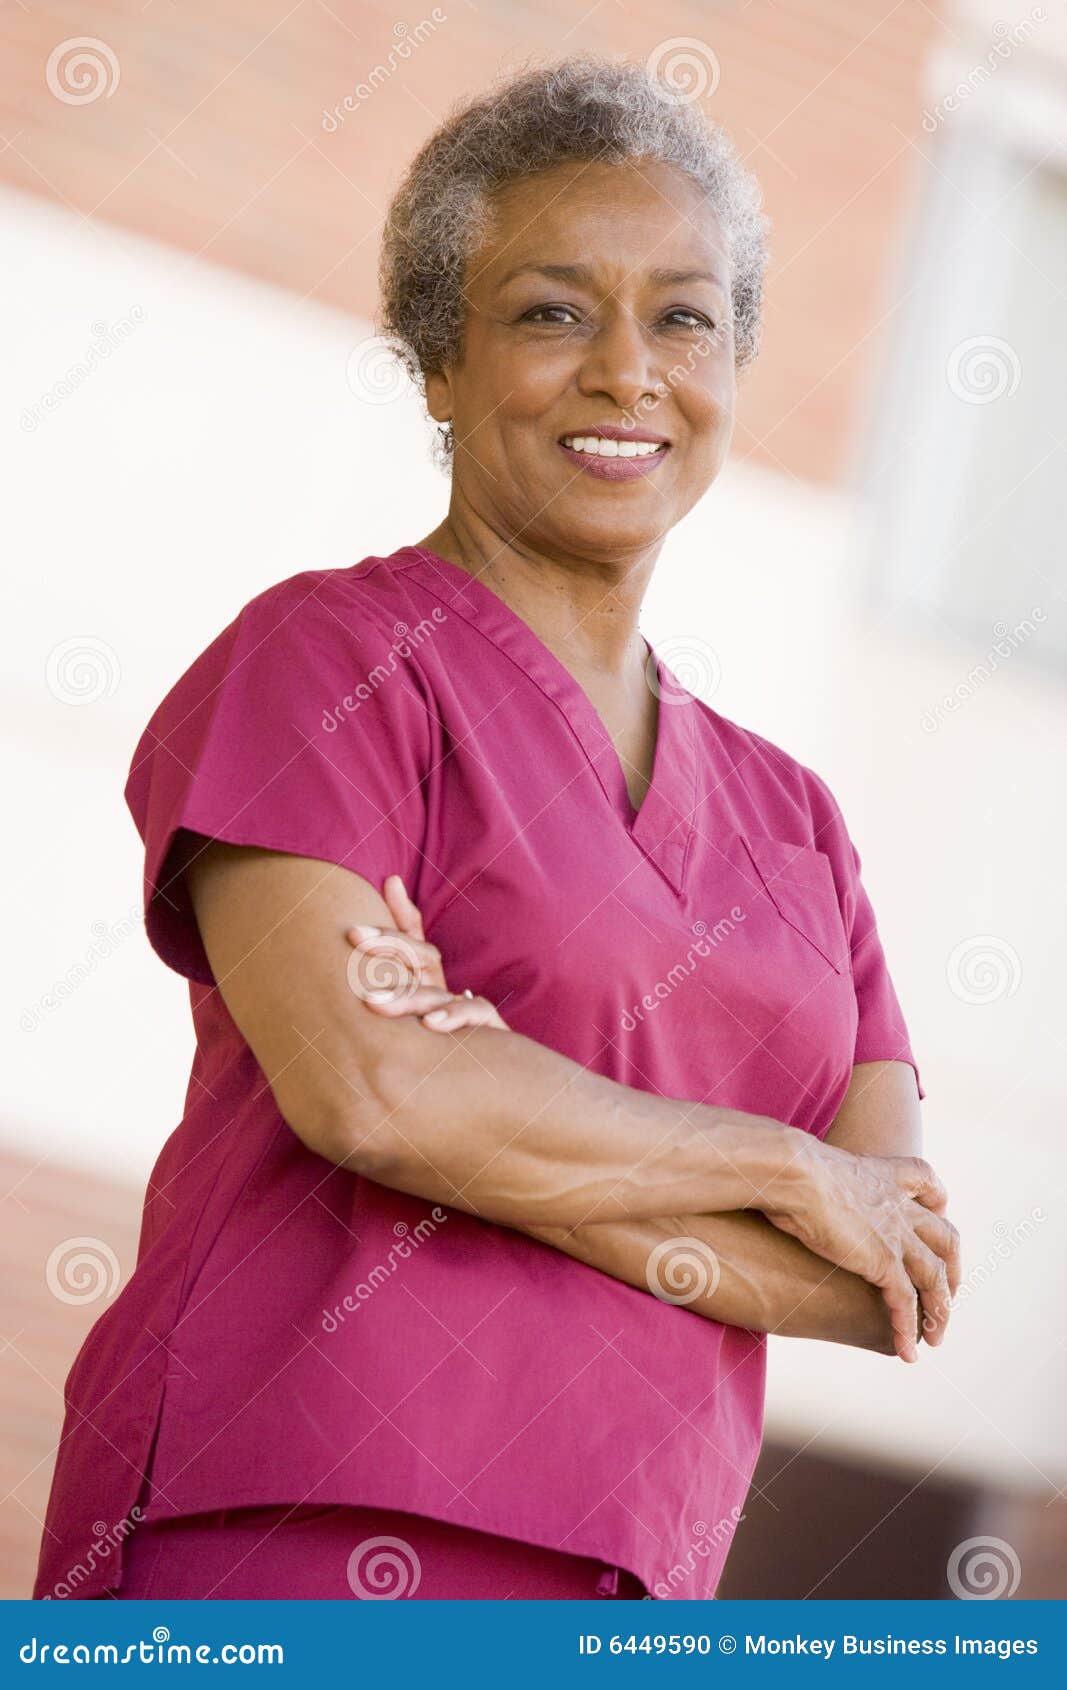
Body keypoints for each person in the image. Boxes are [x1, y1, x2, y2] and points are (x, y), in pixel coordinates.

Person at [34, 54, 959, 1603]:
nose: (627, 368)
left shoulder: (799, 823)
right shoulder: (328, 666)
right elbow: (378, 1094)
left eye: (684, 315)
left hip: (632, 1579)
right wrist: (780, 1167)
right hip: (284, 1527)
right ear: (437, 365)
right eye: (548, 310)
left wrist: (497, 1109)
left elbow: (892, 1279)